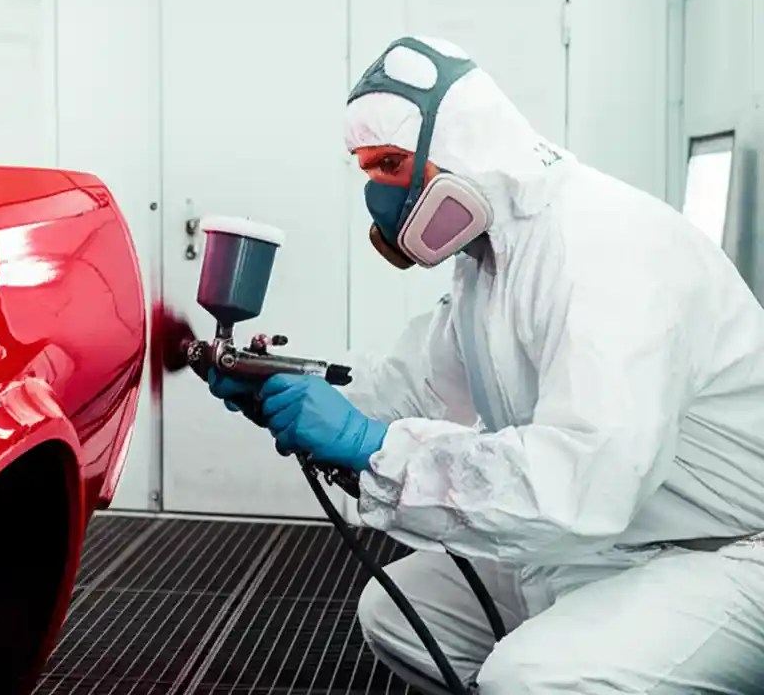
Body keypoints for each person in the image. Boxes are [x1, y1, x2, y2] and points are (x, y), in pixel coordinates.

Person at [208, 36, 764, 693]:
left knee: (529, 679)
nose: (378, 194)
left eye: (390, 164)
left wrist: (371, 447)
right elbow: (414, 387)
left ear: (462, 149)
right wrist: (292, 383)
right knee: (400, 614)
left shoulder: (603, 253)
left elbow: (580, 480)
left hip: (722, 552)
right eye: (368, 170)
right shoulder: (493, 255)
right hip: (609, 534)